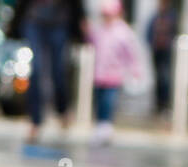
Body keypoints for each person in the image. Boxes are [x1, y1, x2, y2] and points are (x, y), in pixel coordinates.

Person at [10, 0, 85, 143]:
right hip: (34, 20)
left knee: (58, 71)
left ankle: (62, 109)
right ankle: (35, 121)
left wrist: (81, 19)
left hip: (59, 22)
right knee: (36, 70)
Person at [87, 0, 144, 145]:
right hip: (99, 73)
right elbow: (92, 42)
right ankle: (100, 125)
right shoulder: (100, 30)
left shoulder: (123, 32)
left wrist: (135, 69)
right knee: (99, 101)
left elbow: (130, 53)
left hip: (113, 74)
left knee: (108, 101)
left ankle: (106, 127)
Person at [147, 0, 178, 115]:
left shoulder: (172, 17)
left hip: (166, 52)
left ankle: (165, 104)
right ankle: (158, 104)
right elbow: (149, 32)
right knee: (158, 78)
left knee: (165, 78)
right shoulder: (155, 17)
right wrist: (152, 44)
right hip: (157, 51)